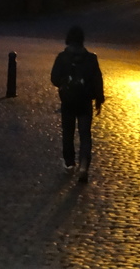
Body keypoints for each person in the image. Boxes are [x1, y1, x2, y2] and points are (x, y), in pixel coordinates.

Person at [50, 25, 104, 182]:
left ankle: (69, 161)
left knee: (68, 132)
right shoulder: (91, 58)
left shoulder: (62, 57)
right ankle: (84, 165)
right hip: (85, 101)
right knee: (85, 134)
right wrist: (99, 98)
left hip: (68, 101)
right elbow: (97, 80)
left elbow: (54, 78)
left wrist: (63, 84)